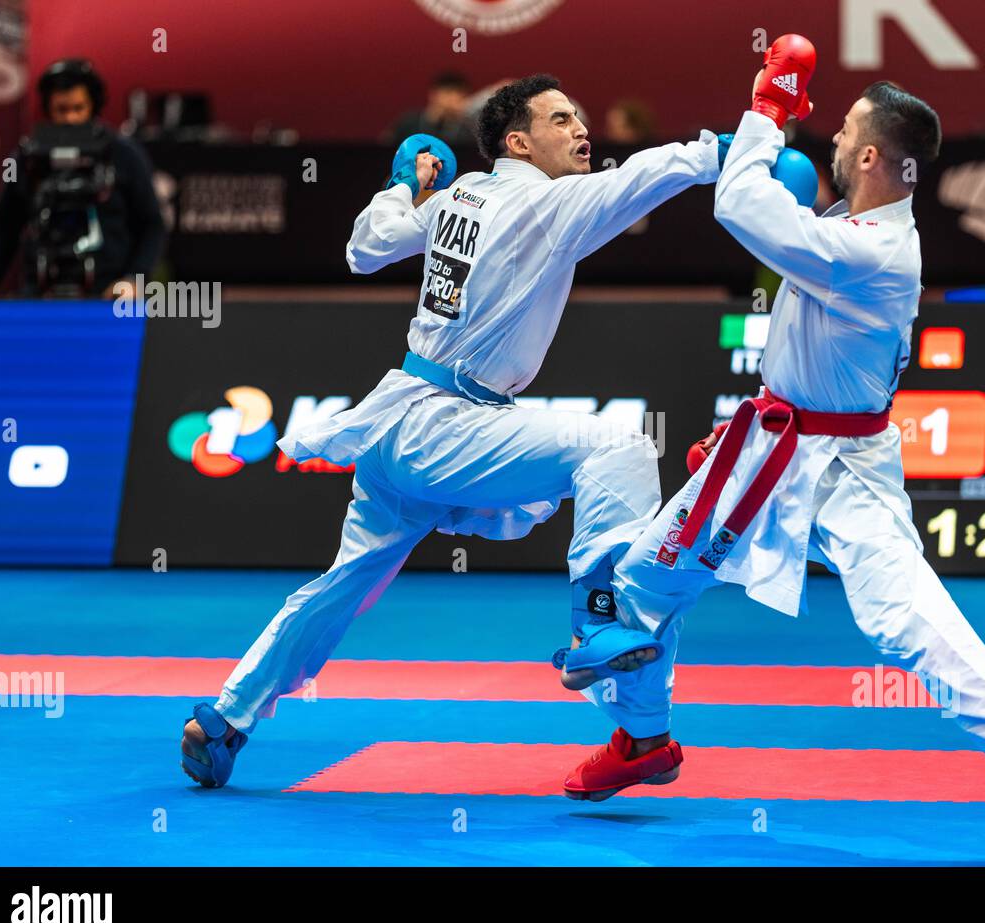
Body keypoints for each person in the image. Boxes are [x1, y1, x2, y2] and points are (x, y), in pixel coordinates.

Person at [558, 37, 985, 843]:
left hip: (845, 466)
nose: (830, 131)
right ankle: (643, 741)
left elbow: (737, 204)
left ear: (873, 153)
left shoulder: (874, 253)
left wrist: (770, 109)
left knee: (901, 614)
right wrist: (737, 434)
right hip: (766, 446)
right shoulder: (846, 223)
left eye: (842, 127)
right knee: (639, 590)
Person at [179, 74, 722, 789]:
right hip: (446, 426)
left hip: (405, 420)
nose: (581, 129)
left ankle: (225, 718)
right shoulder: (547, 201)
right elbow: (652, 173)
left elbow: (366, 247)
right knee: (618, 448)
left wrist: (403, 184)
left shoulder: (461, 196)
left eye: (581, 117)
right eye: (561, 119)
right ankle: (596, 621)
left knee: (343, 586)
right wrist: (728, 149)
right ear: (519, 141)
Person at [0, 59, 164, 300]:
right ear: (48, 108)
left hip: (108, 295)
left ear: (93, 106)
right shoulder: (26, 158)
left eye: (78, 108)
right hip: (40, 295)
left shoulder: (124, 154)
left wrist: (134, 279)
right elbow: (6, 224)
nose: (71, 118)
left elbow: (152, 224)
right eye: (62, 110)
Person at [383, 71, 477, 151]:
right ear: (433, 94)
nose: (453, 99)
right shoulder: (409, 122)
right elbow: (386, 146)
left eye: (460, 95)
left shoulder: (467, 130)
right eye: (448, 93)